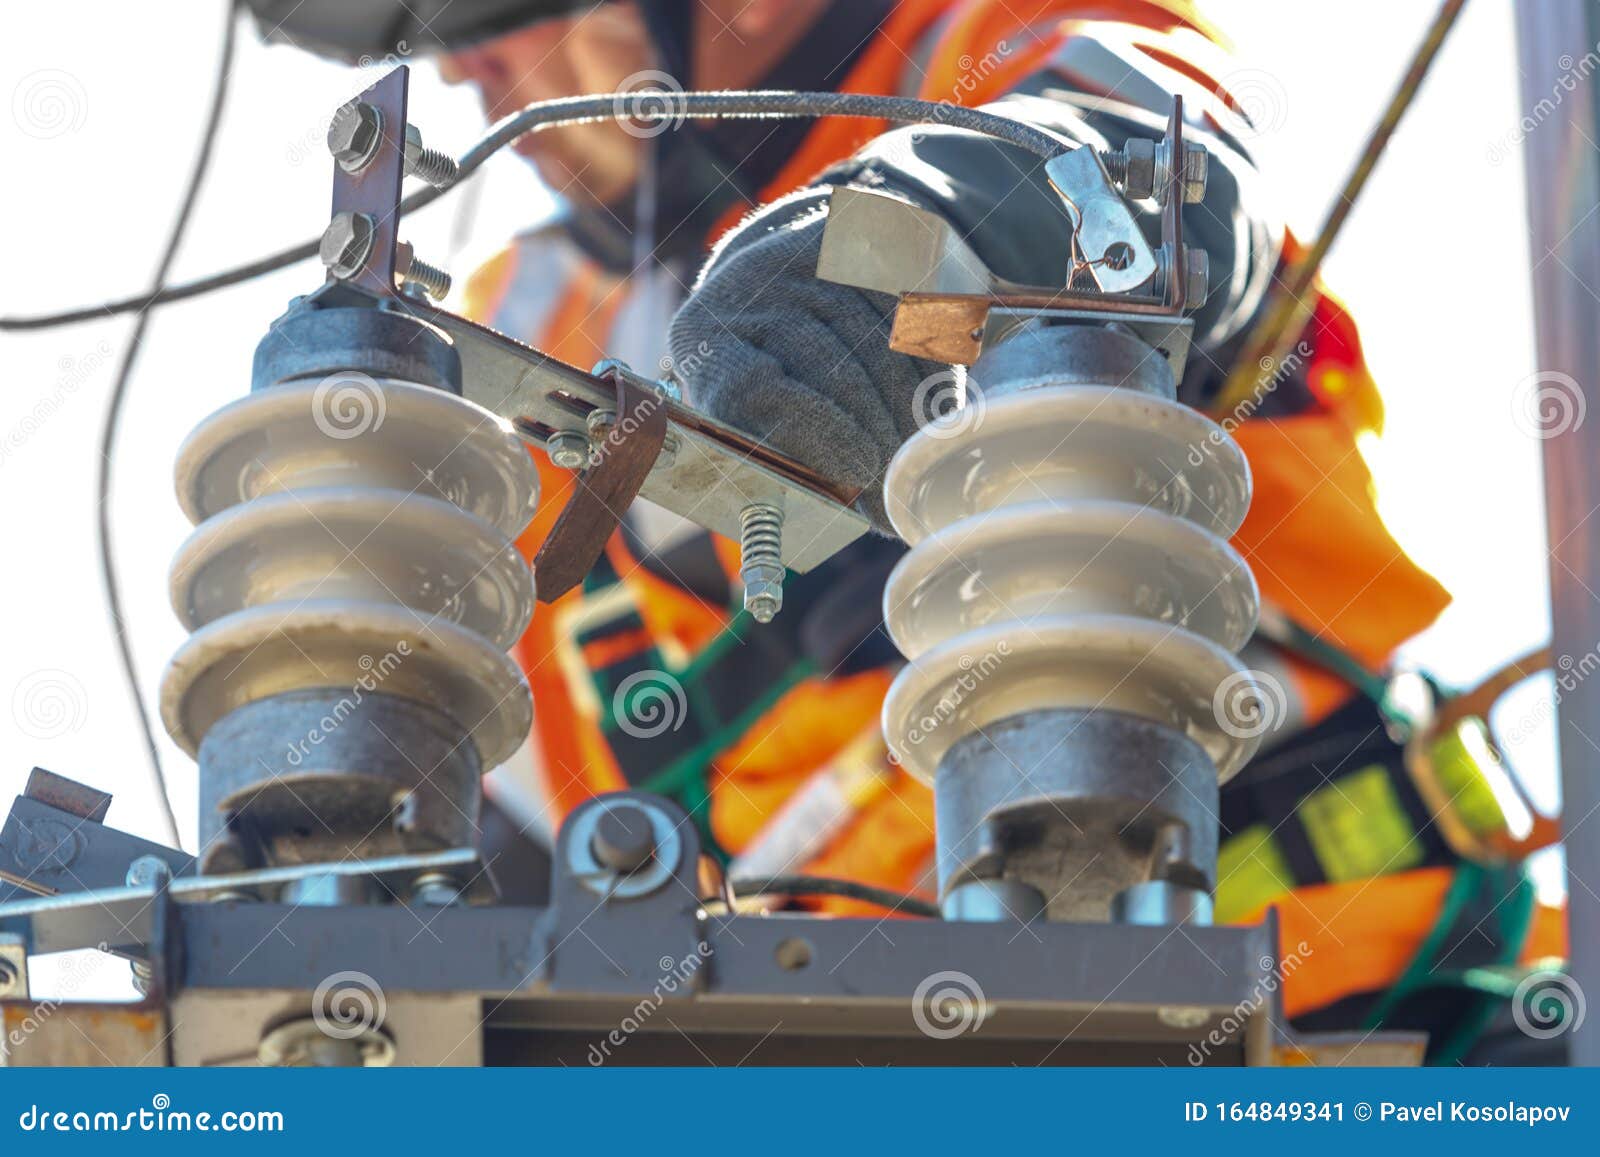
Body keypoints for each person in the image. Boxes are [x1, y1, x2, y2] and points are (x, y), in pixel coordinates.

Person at [245, 0, 1563, 1056]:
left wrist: (907, 260)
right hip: (857, 1067)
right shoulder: (515, 332)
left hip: (1345, 1017)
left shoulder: (1009, 47)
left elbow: (1147, 181)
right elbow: (513, 841)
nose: (471, 68)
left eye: (508, 6)